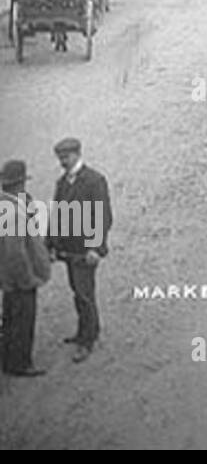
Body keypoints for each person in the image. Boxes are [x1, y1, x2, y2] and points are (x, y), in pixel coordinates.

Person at [49, 138, 112, 364]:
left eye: (66, 157)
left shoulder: (94, 180)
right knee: (78, 292)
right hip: (69, 250)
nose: (62, 162)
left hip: (86, 251)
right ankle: (82, 331)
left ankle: (88, 340)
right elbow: (57, 215)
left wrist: (96, 248)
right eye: (60, 158)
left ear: (77, 154)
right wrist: (52, 245)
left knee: (85, 295)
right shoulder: (62, 183)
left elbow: (103, 217)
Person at [0, 160, 51, 376]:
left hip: (7, 278)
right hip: (18, 279)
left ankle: (7, 359)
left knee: (10, 318)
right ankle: (20, 364)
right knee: (22, 322)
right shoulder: (13, 212)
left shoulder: (6, 203)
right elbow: (15, 252)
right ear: (20, 183)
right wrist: (27, 279)